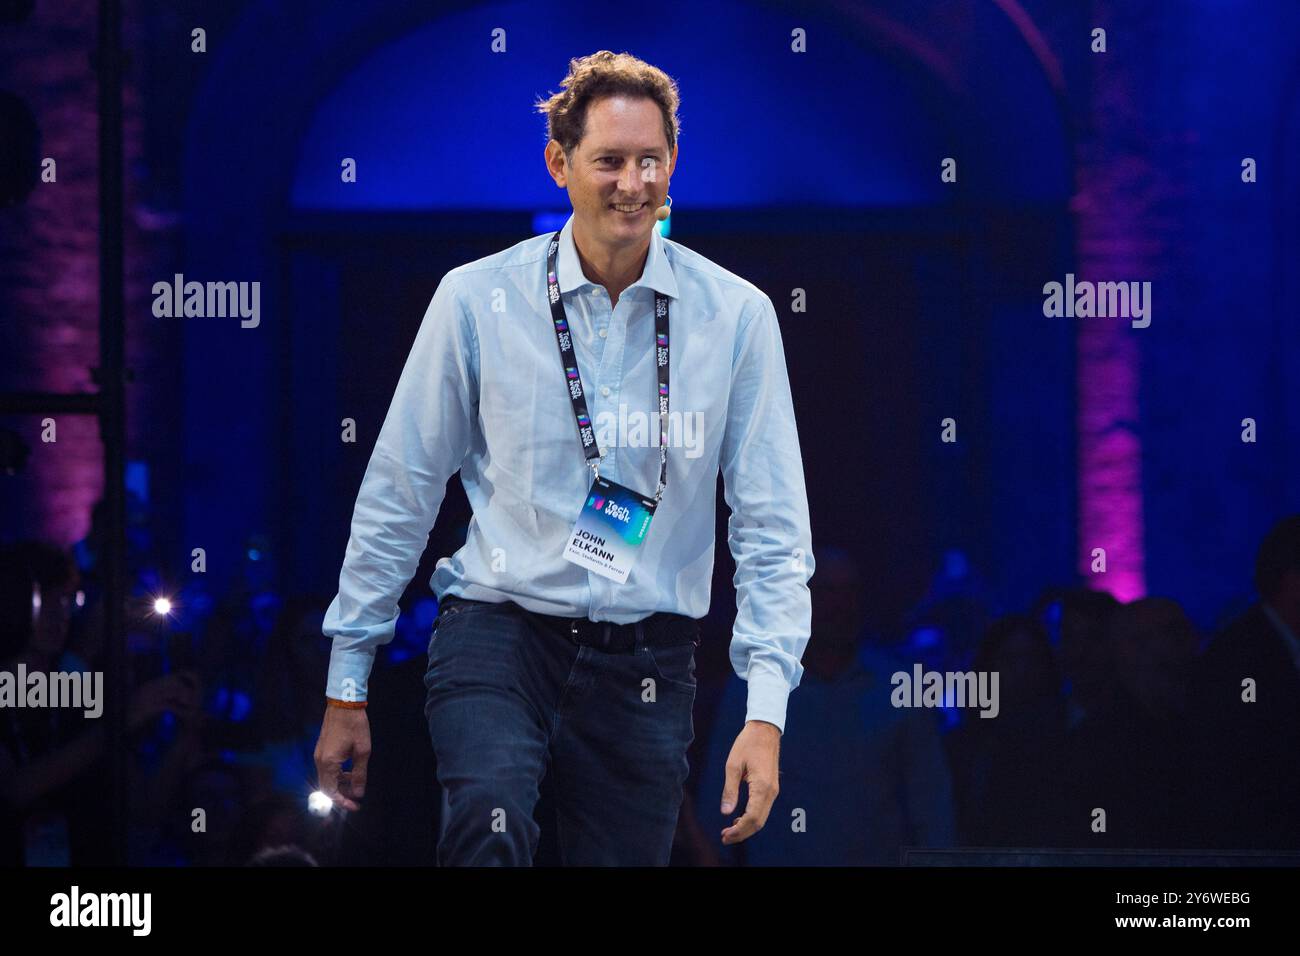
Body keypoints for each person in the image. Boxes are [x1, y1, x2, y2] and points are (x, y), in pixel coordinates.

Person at [313, 50, 814, 865]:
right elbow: (400, 487)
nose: (632, 182)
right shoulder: (478, 299)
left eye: (650, 160)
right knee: (489, 819)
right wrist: (348, 681)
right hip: (499, 631)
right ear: (559, 164)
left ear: (673, 164)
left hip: (650, 656)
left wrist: (766, 712)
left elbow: (772, 525)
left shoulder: (737, 316)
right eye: (609, 160)